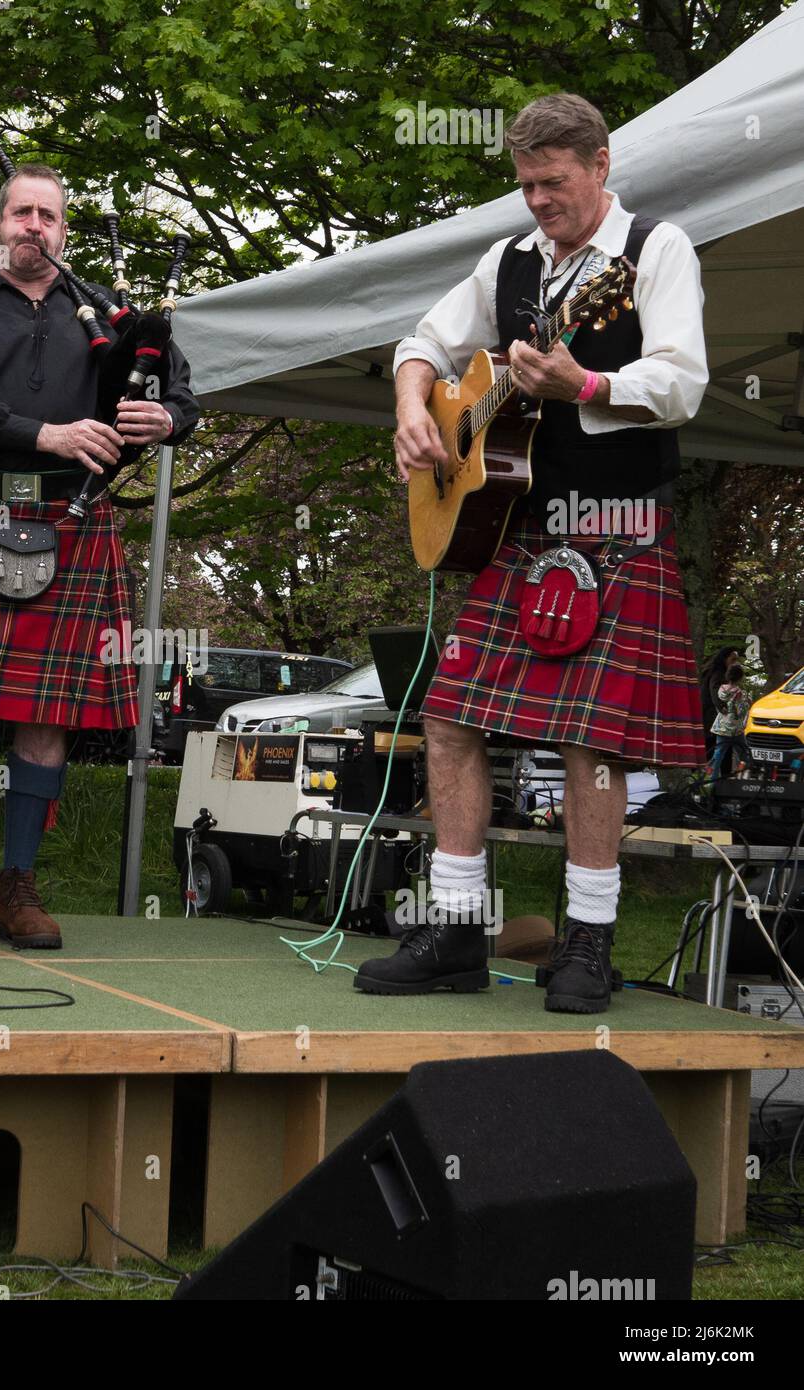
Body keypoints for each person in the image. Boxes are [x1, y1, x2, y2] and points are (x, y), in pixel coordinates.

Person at [359, 93, 709, 1013]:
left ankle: (587, 945)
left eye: (554, 184)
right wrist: (412, 412)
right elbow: (423, 342)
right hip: (526, 530)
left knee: (592, 741)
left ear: (600, 166)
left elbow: (682, 382)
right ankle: (457, 930)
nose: (539, 203)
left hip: (622, 525)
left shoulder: (655, 252)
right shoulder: (509, 260)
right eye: (525, 186)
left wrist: (585, 380)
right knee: (446, 716)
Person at [0, 163, 198, 950]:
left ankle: (17, 888)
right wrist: (47, 433)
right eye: (21, 213)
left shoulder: (103, 317)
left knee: (46, 710)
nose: (34, 227)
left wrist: (166, 420)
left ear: (65, 233)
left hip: (73, 518)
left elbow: (179, 393)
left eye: (49, 217)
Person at [709, 661, 751, 779]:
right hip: (735, 730)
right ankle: (739, 775)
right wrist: (748, 703)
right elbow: (740, 712)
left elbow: (723, 703)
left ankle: (713, 779)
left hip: (722, 728)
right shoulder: (740, 694)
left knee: (718, 754)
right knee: (744, 754)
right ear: (740, 678)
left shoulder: (721, 690)